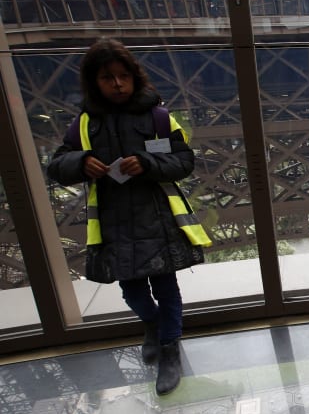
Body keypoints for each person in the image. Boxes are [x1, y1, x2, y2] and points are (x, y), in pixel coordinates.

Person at [47, 38, 211, 395]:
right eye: (108, 77)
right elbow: (56, 165)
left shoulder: (159, 118)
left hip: (157, 219)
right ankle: (152, 325)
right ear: (95, 82)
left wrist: (149, 163)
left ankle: (170, 350)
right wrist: (80, 162)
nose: (118, 84)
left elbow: (185, 160)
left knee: (167, 290)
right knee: (132, 293)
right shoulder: (84, 125)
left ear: (135, 77)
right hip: (114, 222)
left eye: (123, 76)